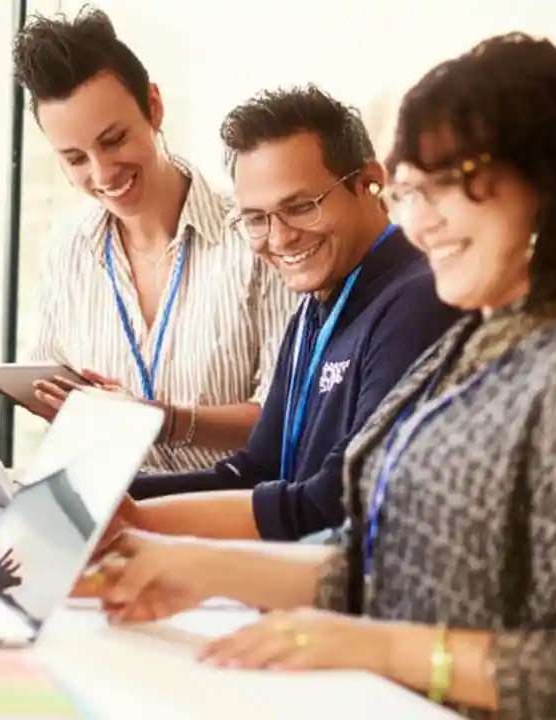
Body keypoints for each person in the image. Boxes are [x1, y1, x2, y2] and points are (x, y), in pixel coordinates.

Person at [91, 34, 556, 719]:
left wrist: (383, 650)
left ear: (555, 183)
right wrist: (184, 565)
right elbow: (381, 563)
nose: (420, 224)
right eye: (413, 190)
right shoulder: (480, 343)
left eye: (449, 186)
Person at [116, 85, 460, 543]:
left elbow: (331, 502)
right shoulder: (315, 308)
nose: (279, 240)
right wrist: (102, 495)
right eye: (256, 218)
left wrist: (130, 520)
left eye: (301, 207)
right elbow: (253, 471)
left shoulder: (419, 303)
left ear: (369, 182)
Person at [12, 8, 296, 473]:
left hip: (220, 518)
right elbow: (53, 388)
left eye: (114, 140)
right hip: (106, 511)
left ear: (155, 106)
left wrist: (160, 421)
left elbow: (285, 417)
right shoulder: (68, 247)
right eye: (75, 158)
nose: (102, 174)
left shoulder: (255, 236)